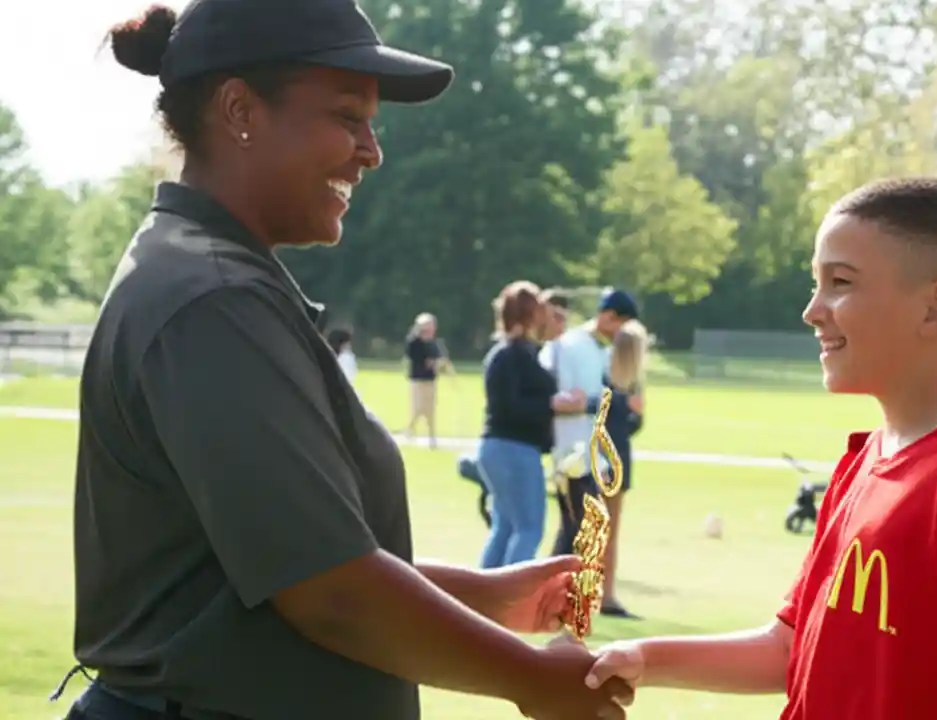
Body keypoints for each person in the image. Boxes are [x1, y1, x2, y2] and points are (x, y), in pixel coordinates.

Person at [60, 3, 632, 719]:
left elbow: (277, 559)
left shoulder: (207, 274)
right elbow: (330, 591)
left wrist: (487, 597)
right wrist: (532, 680)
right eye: (345, 116)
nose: (372, 150)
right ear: (239, 110)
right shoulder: (212, 298)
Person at [584, 178, 937, 720]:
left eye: (841, 283)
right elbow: (789, 647)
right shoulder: (867, 459)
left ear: (936, 308)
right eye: (817, 283)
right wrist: (643, 657)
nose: (812, 310)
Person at [478, 280, 586, 569]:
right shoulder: (511, 356)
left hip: (502, 449)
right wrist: (553, 404)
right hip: (514, 449)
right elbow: (509, 407)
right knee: (528, 529)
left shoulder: (519, 353)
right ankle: (510, 599)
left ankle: (484, 594)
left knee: (505, 527)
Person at [540, 288, 640, 558]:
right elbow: (570, 400)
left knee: (580, 532)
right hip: (573, 450)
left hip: (592, 454)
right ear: (609, 317)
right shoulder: (570, 345)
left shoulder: (604, 351)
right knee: (575, 531)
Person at [599, 320, 647, 619]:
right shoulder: (607, 380)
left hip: (615, 456)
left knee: (608, 530)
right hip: (608, 458)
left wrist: (636, 413)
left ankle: (605, 592)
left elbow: (632, 426)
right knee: (603, 530)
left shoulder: (629, 383)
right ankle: (603, 595)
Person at [405, 312, 448, 447]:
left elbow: (440, 359)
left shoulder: (434, 343)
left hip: (431, 379)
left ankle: (432, 437)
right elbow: (416, 358)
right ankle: (410, 429)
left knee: (430, 410)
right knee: (418, 407)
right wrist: (432, 362)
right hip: (418, 379)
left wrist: (439, 363)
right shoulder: (414, 342)